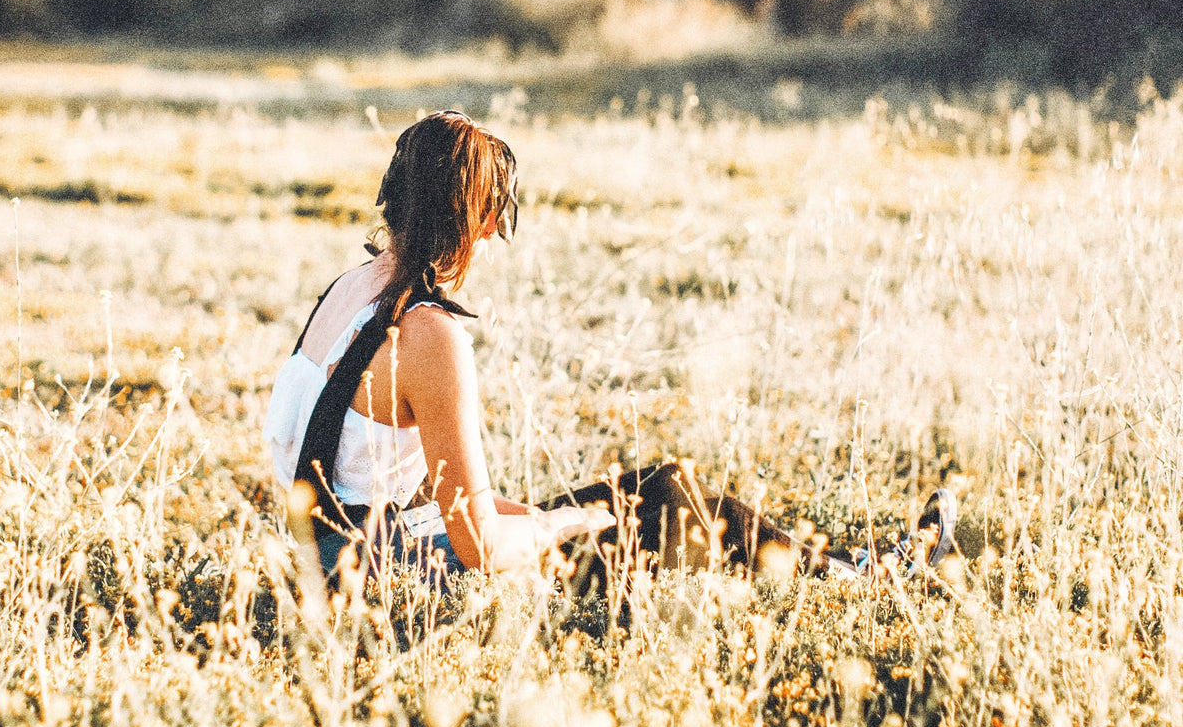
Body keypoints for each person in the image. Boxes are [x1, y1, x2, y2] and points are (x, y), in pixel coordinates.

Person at [263, 111, 956, 591]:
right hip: (386, 580)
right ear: (473, 221)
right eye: (491, 221)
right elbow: (474, 548)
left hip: (335, 555)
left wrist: (539, 517)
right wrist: (562, 521)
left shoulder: (349, 290)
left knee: (653, 488)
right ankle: (870, 576)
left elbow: (357, 484)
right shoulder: (426, 332)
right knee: (676, 510)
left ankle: (856, 569)